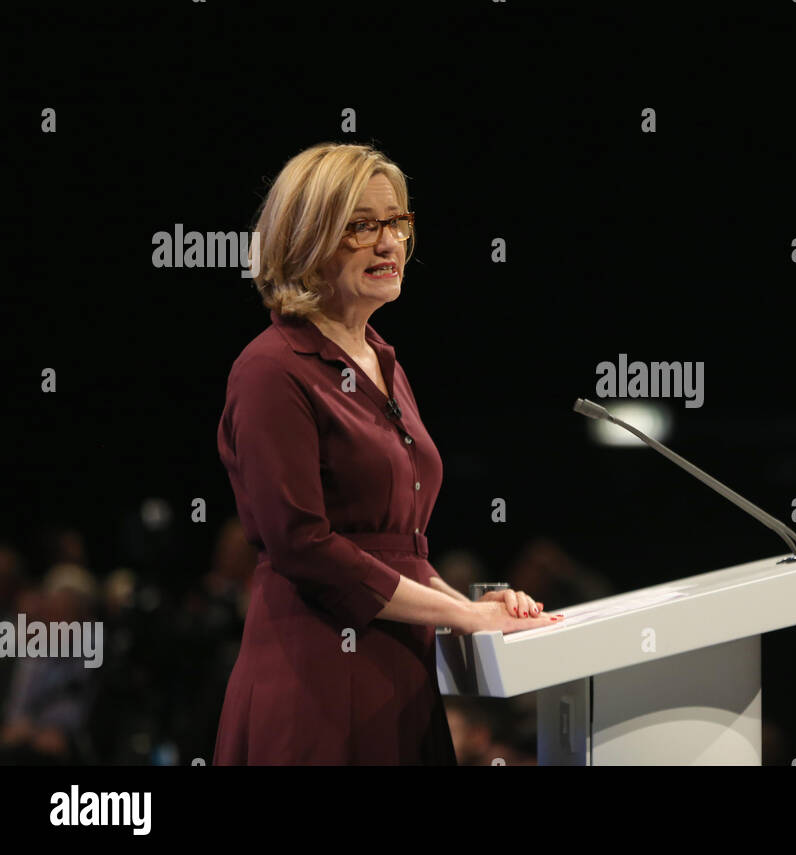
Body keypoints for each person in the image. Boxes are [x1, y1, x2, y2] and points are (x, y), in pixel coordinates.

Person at [213, 143, 562, 765]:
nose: (389, 242)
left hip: (400, 675)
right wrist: (463, 619)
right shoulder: (270, 369)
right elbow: (305, 546)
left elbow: (395, 546)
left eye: (397, 222)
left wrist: (465, 606)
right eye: (361, 226)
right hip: (318, 682)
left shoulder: (383, 362)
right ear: (306, 240)